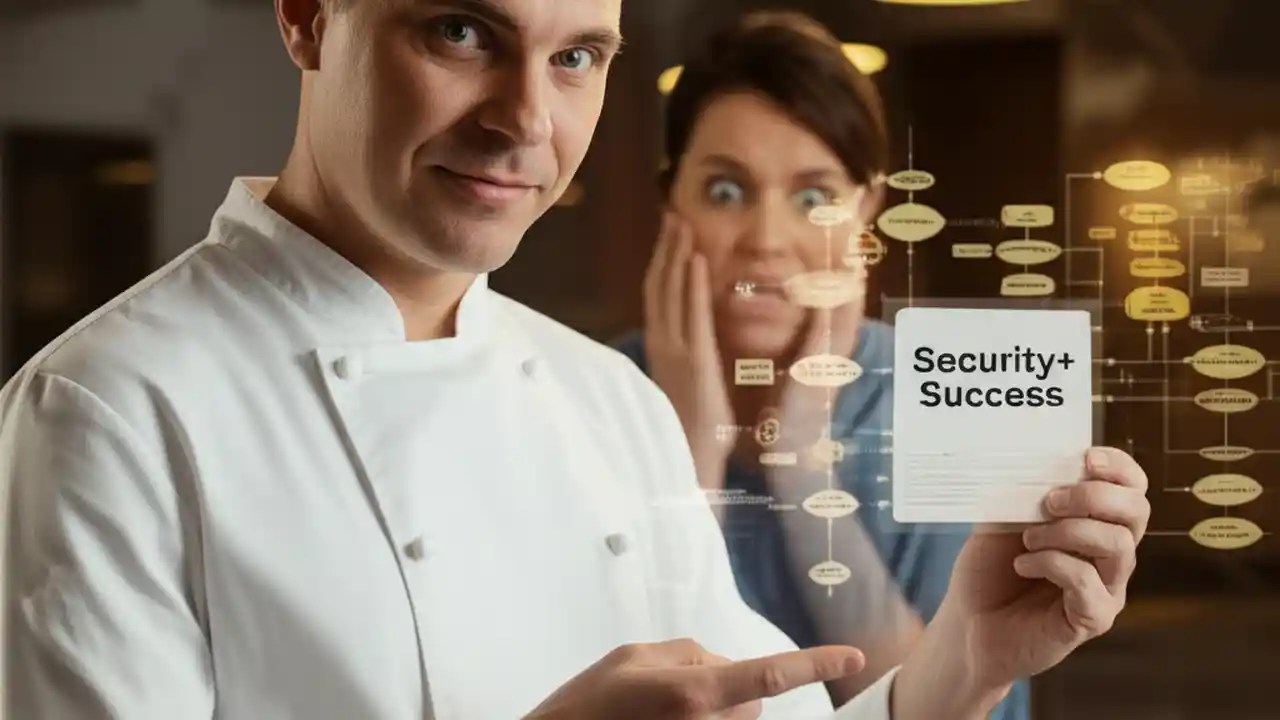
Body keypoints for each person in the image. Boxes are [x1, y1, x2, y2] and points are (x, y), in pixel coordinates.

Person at [0, 1, 1150, 719]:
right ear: (306, 14)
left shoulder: (607, 398)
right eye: (462, 31)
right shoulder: (105, 407)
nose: (524, 122)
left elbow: (765, 715)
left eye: (577, 57)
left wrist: (967, 658)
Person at [612, 11, 1026, 715]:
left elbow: (961, 706)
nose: (767, 240)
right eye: (725, 191)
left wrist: (801, 462)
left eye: (814, 198)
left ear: (866, 211)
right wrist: (692, 458)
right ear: (670, 199)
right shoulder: (596, 394)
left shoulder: (941, 395)